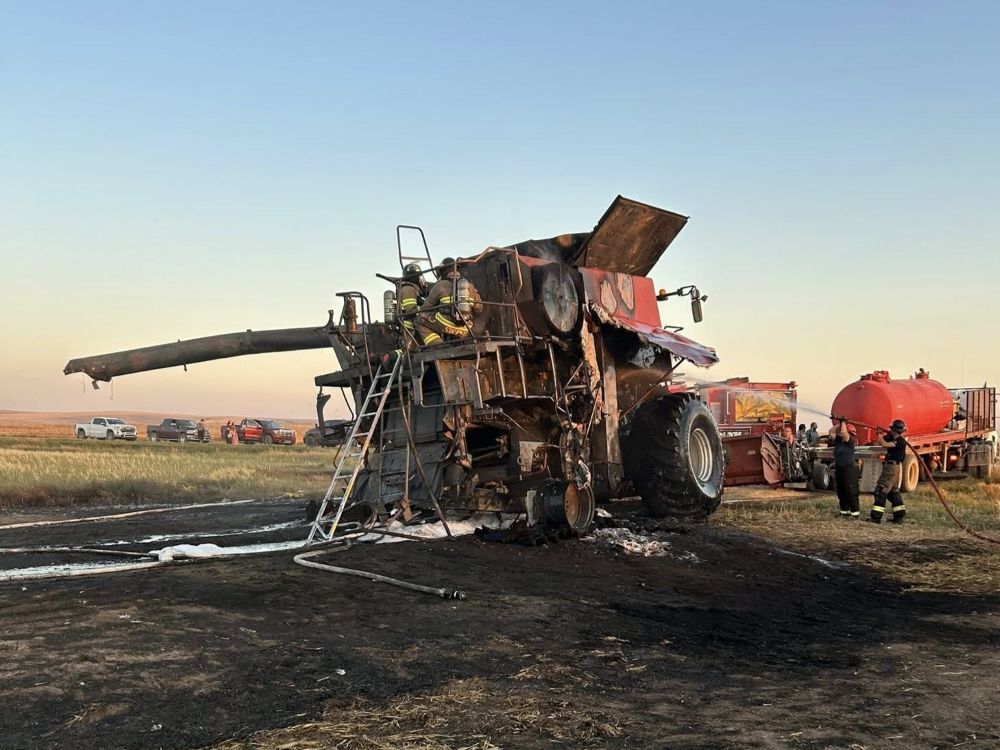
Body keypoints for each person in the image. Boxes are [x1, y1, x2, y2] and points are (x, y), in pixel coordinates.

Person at [415, 257, 482, 346]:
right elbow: (479, 308)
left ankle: (437, 345)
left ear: (443, 271)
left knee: (419, 319)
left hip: (447, 326)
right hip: (466, 328)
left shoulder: (440, 285)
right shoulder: (470, 286)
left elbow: (425, 308)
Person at [870, 418, 907, 523]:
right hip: (893, 467)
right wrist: (882, 435)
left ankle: (876, 517)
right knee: (893, 492)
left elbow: (884, 444)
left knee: (881, 490)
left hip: (891, 468)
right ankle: (899, 516)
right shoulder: (892, 438)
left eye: (891, 429)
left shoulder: (900, 441)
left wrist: (879, 434)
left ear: (894, 430)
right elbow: (882, 442)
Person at [829, 418, 859, 518]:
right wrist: (839, 423)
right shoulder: (838, 441)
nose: (840, 432)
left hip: (848, 469)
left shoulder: (850, 441)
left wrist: (844, 423)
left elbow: (844, 433)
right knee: (841, 491)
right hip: (839, 469)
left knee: (850, 491)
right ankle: (844, 512)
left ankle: (855, 513)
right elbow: (831, 431)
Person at [395, 263, 427, 347]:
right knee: (408, 350)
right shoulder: (409, 289)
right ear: (414, 277)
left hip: (413, 327)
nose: (421, 279)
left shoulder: (413, 289)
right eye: (419, 276)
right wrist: (426, 306)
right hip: (410, 328)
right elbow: (411, 310)